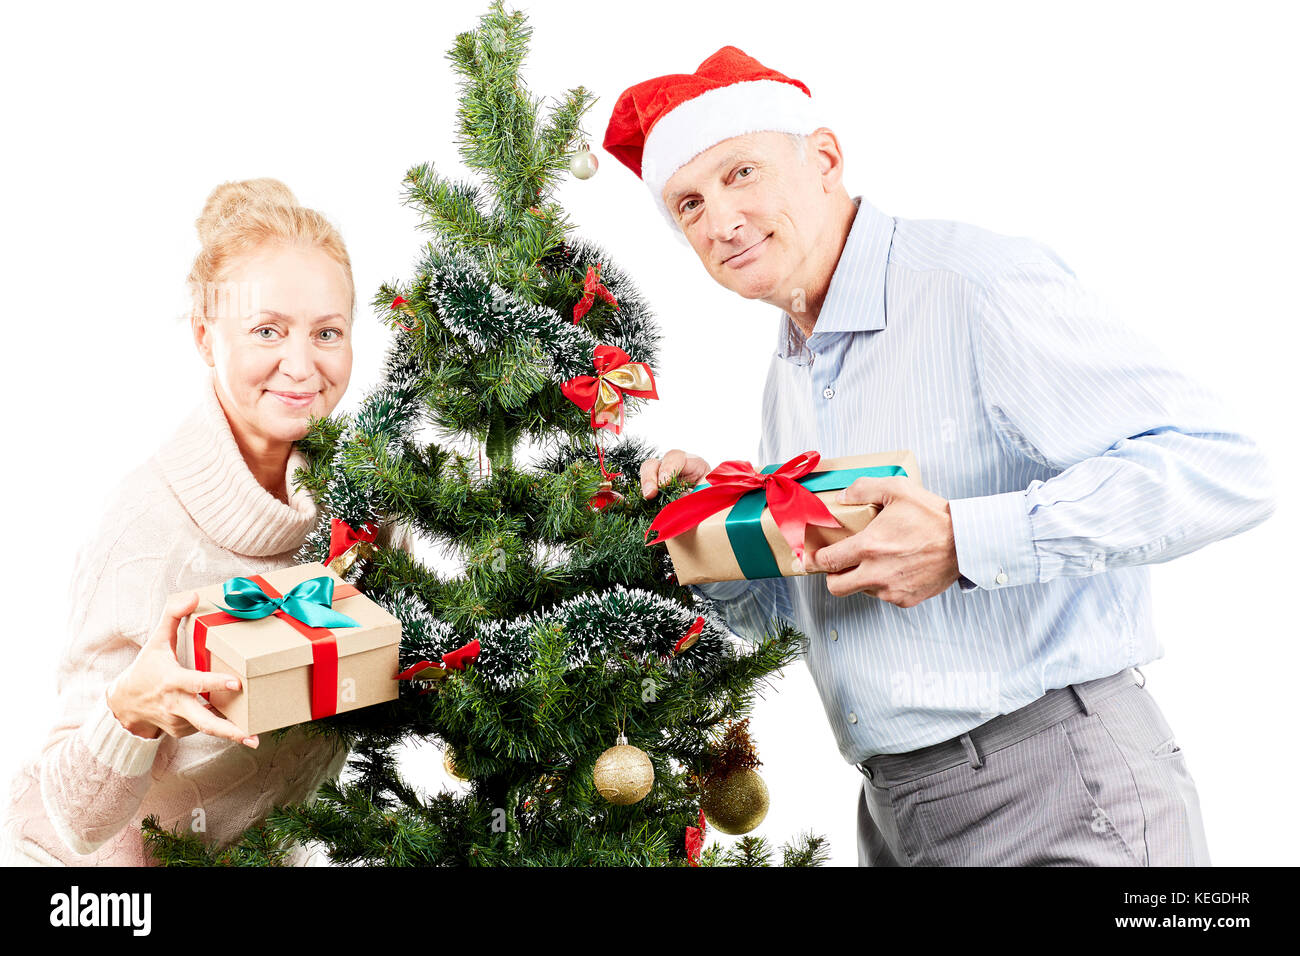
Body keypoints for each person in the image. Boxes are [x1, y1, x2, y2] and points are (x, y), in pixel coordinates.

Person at [606, 47, 1276, 866]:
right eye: (690, 204)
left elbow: (1222, 466)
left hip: (1061, 793)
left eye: (742, 173)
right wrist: (713, 535)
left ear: (823, 160)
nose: (719, 221)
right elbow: (816, 610)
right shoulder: (792, 366)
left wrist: (966, 541)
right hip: (895, 813)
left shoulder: (974, 285)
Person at [1, 178, 409, 866]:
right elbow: (62, 819)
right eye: (267, 331)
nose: (301, 365)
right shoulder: (144, 527)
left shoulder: (367, 504)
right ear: (204, 337)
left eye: (327, 333)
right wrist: (130, 710)